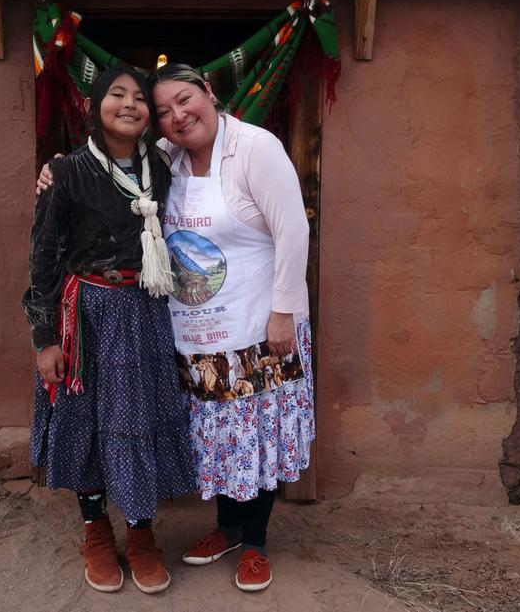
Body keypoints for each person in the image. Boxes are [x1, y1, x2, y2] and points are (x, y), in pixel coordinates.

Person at [38, 62, 314, 593]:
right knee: (221, 437)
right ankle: (224, 530)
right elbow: (90, 189)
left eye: (183, 100)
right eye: (163, 110)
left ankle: (254, 544)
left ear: (209, 92)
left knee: (253, 435)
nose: (177, 116)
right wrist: (56, 169)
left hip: (256, 325)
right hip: (190, 331)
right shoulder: (166, 158)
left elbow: (293, 229)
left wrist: (284, 311)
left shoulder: (255, 149)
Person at [22, 65, 196, 595]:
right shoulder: (68, 172)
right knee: (88, 422)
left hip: (144, 312)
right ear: (94, 106)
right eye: (117, 94)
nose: (129, 105)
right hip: (88, 317)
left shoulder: (161, 168)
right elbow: (44, 259)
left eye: (139, 98)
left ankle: (141, 534)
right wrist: (45, 338)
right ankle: (96, 531)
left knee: (138, 420)